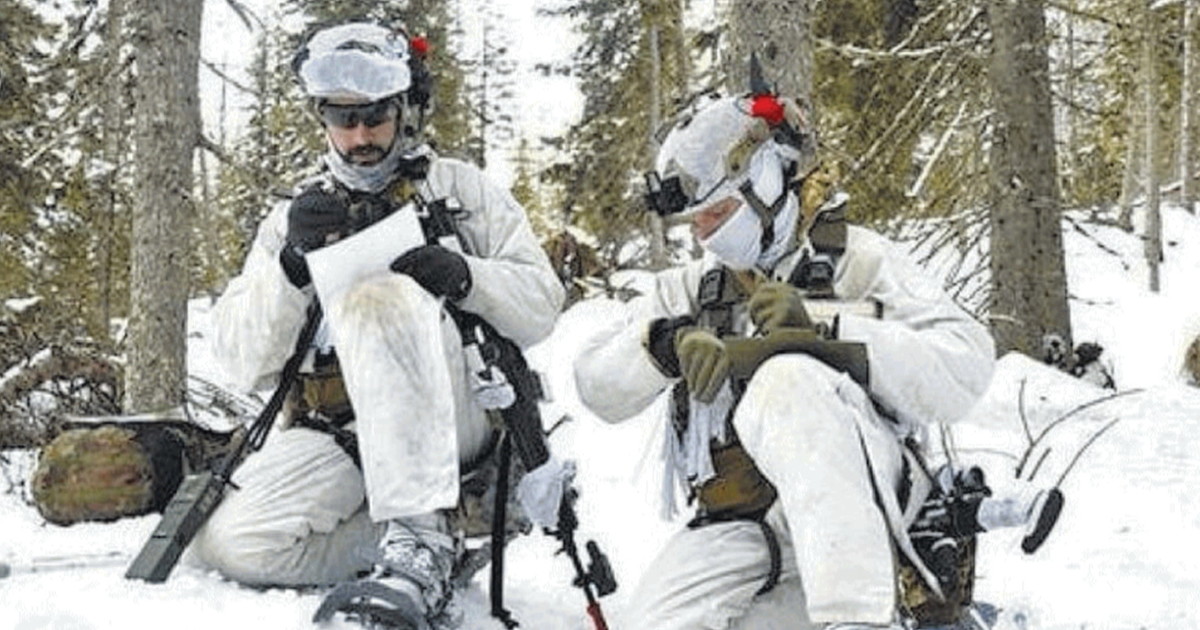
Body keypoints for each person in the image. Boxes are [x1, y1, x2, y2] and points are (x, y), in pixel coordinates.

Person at [573, 91, 998, 630]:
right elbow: (593, 380)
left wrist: (826, 328)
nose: (703, 234)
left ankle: (857, 620)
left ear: (766, 184)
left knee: (787, 379)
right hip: (741, 527)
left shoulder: (859, 261)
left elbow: (966, 364)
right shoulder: (692, 289)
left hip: (868, 517)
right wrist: (664, 346)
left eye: (717, 213)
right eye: (694, 222)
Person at [188, 22, 564, 629]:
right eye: (343, 119)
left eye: (375, 118)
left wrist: (467, 276)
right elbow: (240, 357)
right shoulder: (295, 215)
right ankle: (431, 537)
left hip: (453, 418)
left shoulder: (460, 191)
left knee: (379, 299)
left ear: (404, 111)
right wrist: (289, 269)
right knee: (234, 544)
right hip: (342, 430)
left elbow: (544, 302)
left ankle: (421, 540)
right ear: (323, 120)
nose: (359, 136)